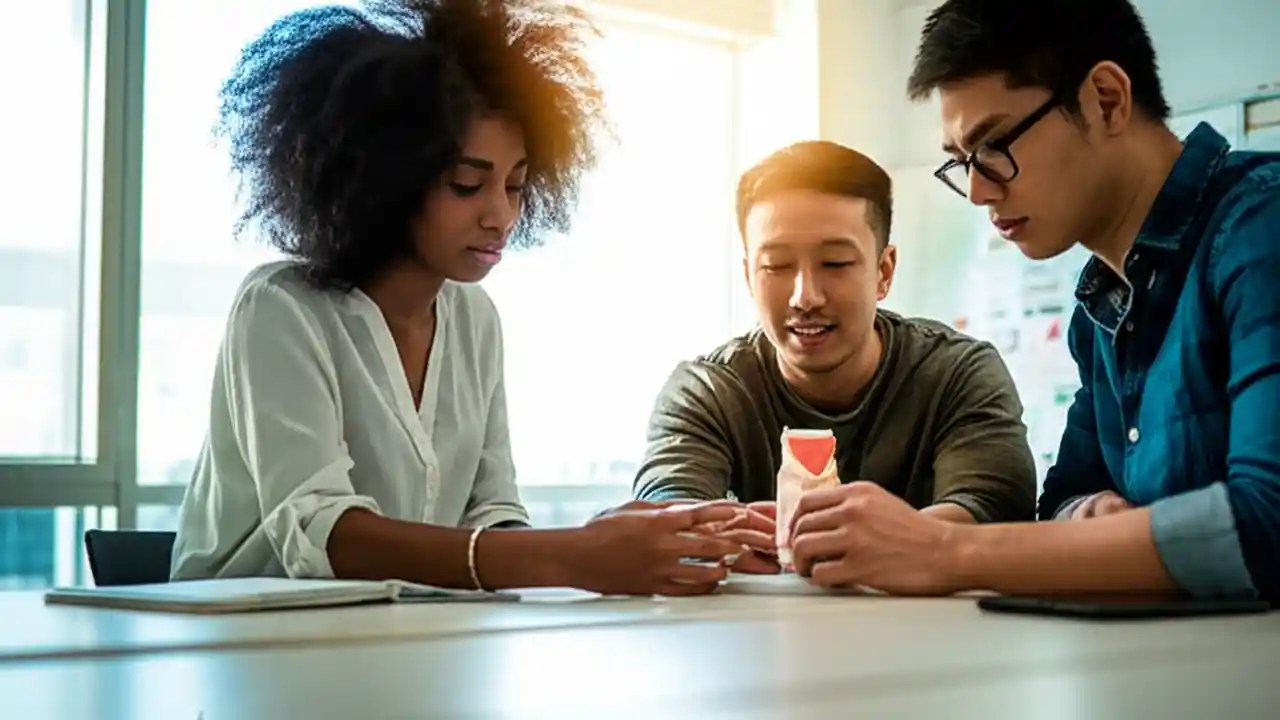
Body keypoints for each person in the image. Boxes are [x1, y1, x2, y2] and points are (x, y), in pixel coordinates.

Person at [170, 0, 743, 596]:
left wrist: (600, 541)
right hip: (242, 644)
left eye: (517, 184)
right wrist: (569, 555)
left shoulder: (474, 319)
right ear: (388, 176)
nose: (501, 215)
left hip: (405, 639)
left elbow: (491, 515)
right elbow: (327, 536)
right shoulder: (281, 310)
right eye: (467, 184)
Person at [780, 0, 1280, 601]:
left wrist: (944, 550)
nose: (977, 190)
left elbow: (1267, 525)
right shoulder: (1101, 308)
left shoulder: (1260, 229)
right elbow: (1064, 495)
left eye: (992, 145)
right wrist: (1087, 513)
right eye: (960, 163)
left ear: (1106, 100)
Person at [632, 140, 1038, 572]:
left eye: (836, 263)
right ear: (749, 276)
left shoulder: (956, 373)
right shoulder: (708, 392)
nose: (805, 297)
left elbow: (995, 511)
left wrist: (884, 545)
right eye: (776, 266)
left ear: (883, 272)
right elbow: (667, 517)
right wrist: (712, 540)